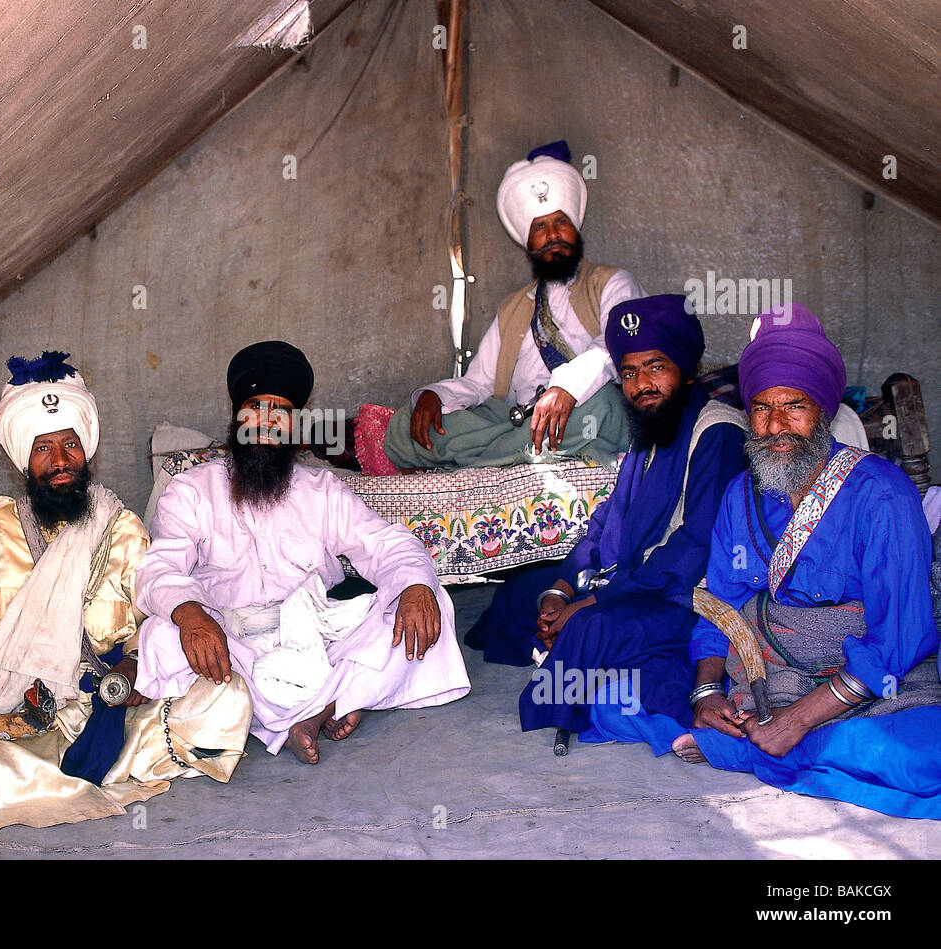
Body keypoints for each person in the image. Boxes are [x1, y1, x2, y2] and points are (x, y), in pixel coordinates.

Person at [587, 310, 941, 818]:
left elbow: (899, 637)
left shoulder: (883, 494)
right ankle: (750, 740)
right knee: (610, 701)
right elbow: (720, 606)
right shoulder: (741, 495)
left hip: (869, 682)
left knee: (924, 758)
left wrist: (796, 721)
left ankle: (770, 747)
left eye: (794, 406)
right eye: (760, 409)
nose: (776, 426)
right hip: (764, 677)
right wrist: (708, 691)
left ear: (823, 408)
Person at [0, 352, 251, 844]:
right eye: (43, 448)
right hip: (14, 720)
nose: (60, 460)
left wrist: (133, 668)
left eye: (70, 445)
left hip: (110, 709)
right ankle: (85, 778)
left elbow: (153, 617)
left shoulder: (121, 529)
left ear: (87, 450)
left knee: (226, 695)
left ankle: (56, 782)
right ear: (23, 458)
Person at [135, 341, 470, 765]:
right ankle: (336, 703)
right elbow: (159, 567)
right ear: (237, 415)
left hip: (317, 640)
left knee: (428, 599)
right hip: (230, 644)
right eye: (256, 408)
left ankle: (301, 715)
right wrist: (191, 615)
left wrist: (415, 585)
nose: (266, 423)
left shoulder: (322, 491)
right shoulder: (191, 492)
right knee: (161, 639)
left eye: (281, 413)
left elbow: (385, 544)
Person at [467, 295, 747, 733]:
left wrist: (590, 602)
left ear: (685, 370)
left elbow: (696, 546)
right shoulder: (650, 428)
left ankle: (573, 662)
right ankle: (569, 652)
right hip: (629, 579)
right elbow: (607, 522)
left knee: (589, 628)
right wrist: (562, 589)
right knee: (519, 596)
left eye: (656, 367)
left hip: (683, 596)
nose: (642, 385)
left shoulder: (718, 432)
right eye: (630, 373)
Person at [384, 140, 642, 470]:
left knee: (606, 406)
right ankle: (513, 453)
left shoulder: (613, 281)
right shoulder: (513, 308)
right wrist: (435, 396)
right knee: (408, 425)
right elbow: (479, 383)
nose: (553, 235)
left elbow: (617, 344)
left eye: (560, 222)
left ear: (575, 228)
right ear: (528, 242)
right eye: (540, 227)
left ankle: (480, 458)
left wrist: (567, 388)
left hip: (579, 409)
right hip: (514, 420)